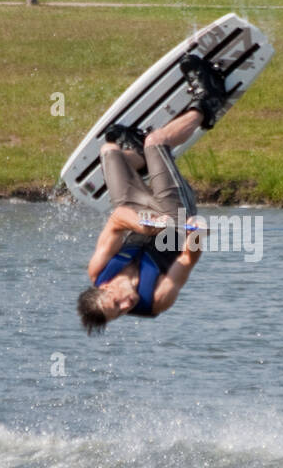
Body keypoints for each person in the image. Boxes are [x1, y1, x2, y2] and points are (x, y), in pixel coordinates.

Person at [77, 54, 228, 333]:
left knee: (109, 151)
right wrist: (195, 237)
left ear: (105, 287)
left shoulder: (99, 270)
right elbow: (186, 260)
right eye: (120, 314)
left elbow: (116, 220)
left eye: (116, 304)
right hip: (175, 218)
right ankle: (208, 101)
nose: (127, 308)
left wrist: (144, 224)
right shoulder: (156, 300)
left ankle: (138, 157)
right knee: (156, 141)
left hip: (140, 214)